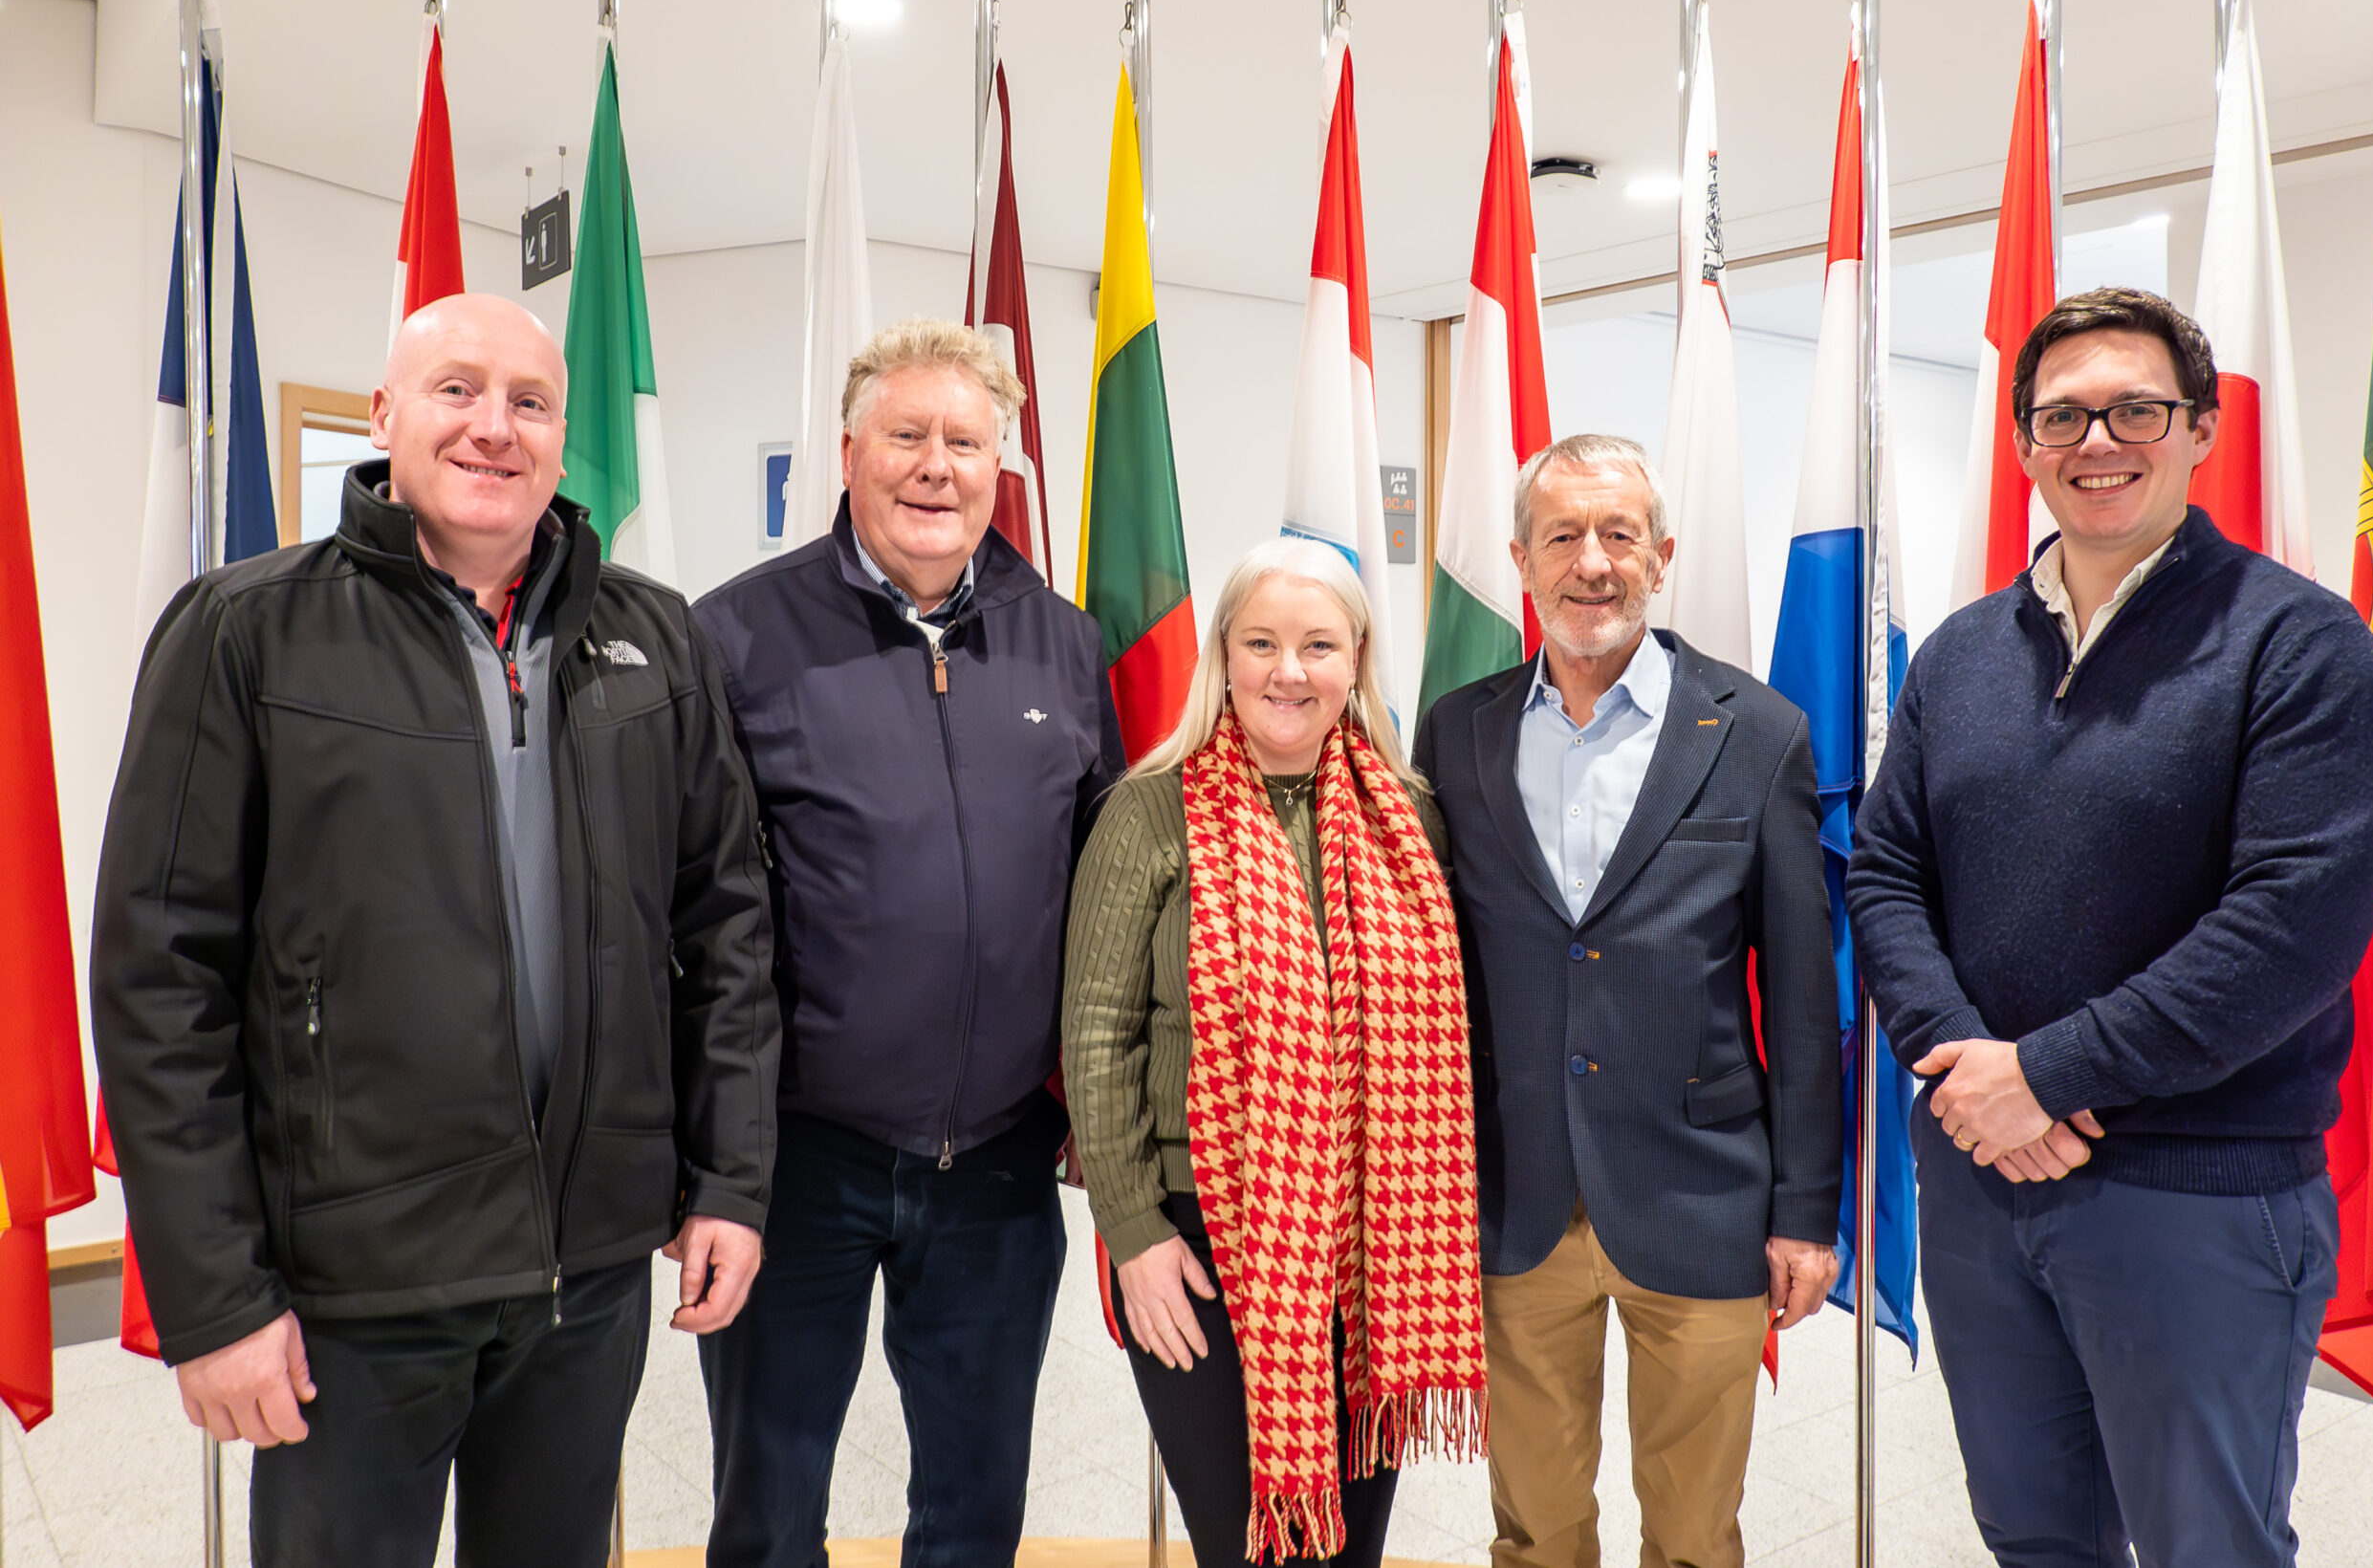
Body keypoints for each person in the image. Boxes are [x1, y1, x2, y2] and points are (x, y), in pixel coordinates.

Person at [89, 293, 779, 1568]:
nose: (493, 427)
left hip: (586, 1272)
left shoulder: (651, 635)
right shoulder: (245, 630)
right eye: (457, 390)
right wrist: (216, 1296)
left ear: (563, 443)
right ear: (386, 416)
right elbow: (158, 978)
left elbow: (724, 924)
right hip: (354, 1282)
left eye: (528, 402)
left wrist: (731, 1175)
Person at [1848, 286, 2373, 1567]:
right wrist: (1966, 1065)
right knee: (2035, 1533)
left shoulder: (2300, 645)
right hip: (1982, 1179)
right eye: (2063, 415)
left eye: (2136, 409)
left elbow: (2288, 932)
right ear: (2024, 443)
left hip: (2195, 1191)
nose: (2098, 439)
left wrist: (2046, 1072)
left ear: (2201, 429)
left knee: (2205, 1542)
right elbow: (1884, 869)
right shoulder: (1957, 655)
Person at [690, 317, 1124, 1568]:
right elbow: (694, 906)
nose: (937, 466)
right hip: (799, 1158)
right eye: (908, 436)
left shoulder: (1063, 637)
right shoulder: (737, 637)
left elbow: (1105, 894)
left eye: (966, 442)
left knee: (974, 1513)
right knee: (768, 1512)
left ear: (1002, 468)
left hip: (996, 1162)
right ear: (849, 451)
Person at [1413, 432, 1842, 1568]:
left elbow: (1802, 998)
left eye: (1617, 536)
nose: (1591, 562)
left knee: (1695, 1532)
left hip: (1700, 1196)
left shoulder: (1755, 731)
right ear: (1520, 558)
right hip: (1515, 1195)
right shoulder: (1456, 731)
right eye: (1562, 535)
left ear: (1661, 555)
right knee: (1535, 1526)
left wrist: (1806, 1210)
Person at [1063, 536, 1485, 1567]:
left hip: (1375, 1238)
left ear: (1357, 661)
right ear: (1223, 656)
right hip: (1196, 1238)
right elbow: (1093, 1039)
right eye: (1260, 643)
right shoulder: (1149, 811)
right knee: (1245, 1546)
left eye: (1316, 645)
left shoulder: (1414, 819)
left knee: (1350, 1551)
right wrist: (1131, 1234)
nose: (1287, 672)